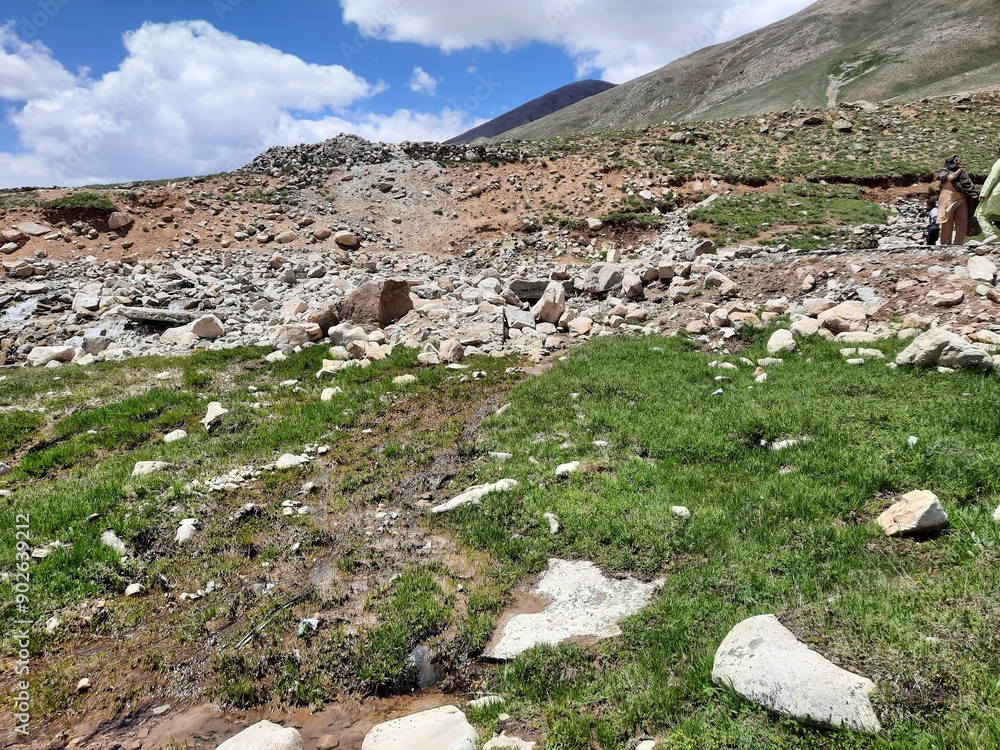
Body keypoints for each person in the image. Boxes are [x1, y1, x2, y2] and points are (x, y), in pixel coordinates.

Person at [937, 155, 977, 245]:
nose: (958, 162)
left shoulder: (963, 173)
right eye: (956, 160)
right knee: (947, 221)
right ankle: (945, 242)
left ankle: (959, 243)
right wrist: (958, 171)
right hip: (948, 198)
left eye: (959, 160)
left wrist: (973, 193)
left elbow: (968, 184)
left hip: (961, 198)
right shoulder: (945, 171)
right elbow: (949, 177)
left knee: (962, 221)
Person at [975, 156, 1000, 245]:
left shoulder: (999, 162)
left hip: (998, 194)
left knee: (980, 213)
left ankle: (990, 235)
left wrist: (983, 193)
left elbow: (992, 178)